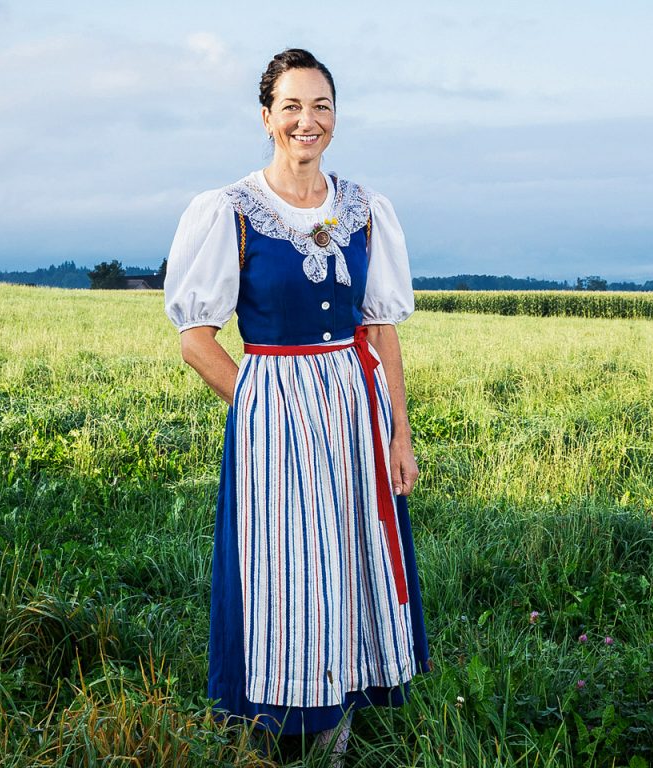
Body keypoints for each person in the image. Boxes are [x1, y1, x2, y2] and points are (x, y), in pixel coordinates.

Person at [163, 48, 430, 761]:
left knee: (349, 554)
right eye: (291, 107)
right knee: (285, 562)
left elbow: (381, 329)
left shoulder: (365, 210)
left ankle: (341, 715)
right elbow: (196, 340)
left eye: (320, 107)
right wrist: (262, 406)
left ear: (335, 118)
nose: (306, 121)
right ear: (267, 118)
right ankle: (275, 718)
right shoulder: (230, 211)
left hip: (354, 407)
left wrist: (401, 435)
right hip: (274, 410)